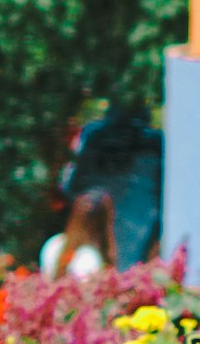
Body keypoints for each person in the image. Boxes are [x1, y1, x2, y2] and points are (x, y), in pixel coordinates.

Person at [50, 90, 162, 275]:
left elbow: (70, 187)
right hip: (106, 230)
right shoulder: (155, 143)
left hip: (123, 233)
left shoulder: (94, 135)